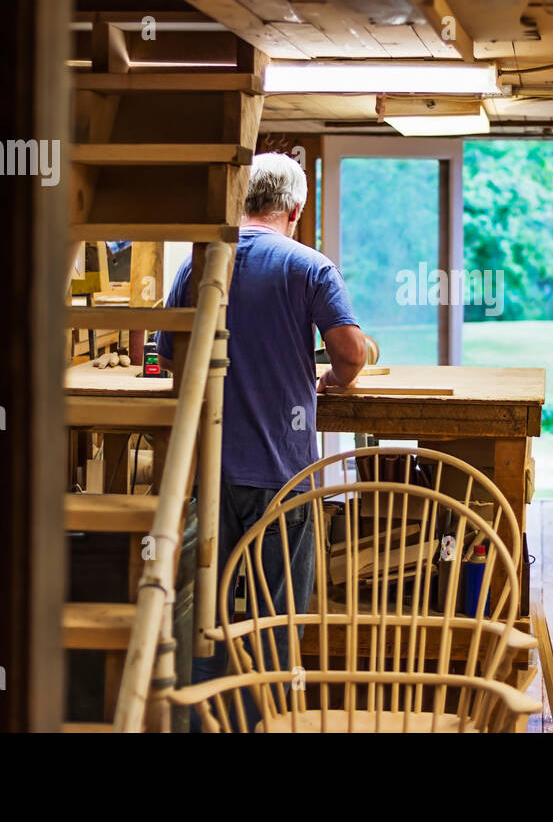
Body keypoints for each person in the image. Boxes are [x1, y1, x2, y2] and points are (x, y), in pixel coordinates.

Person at [155, 152, 366, 723]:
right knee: (277, 622)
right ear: (293, 208)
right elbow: (350, 352)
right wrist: (333, 378)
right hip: (283, 474)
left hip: (209, 472)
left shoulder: (200, 265)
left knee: (200, 620)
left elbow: (162, 352)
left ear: (242, 200)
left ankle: (201, 725)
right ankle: (260, 723)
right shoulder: (309, 266)